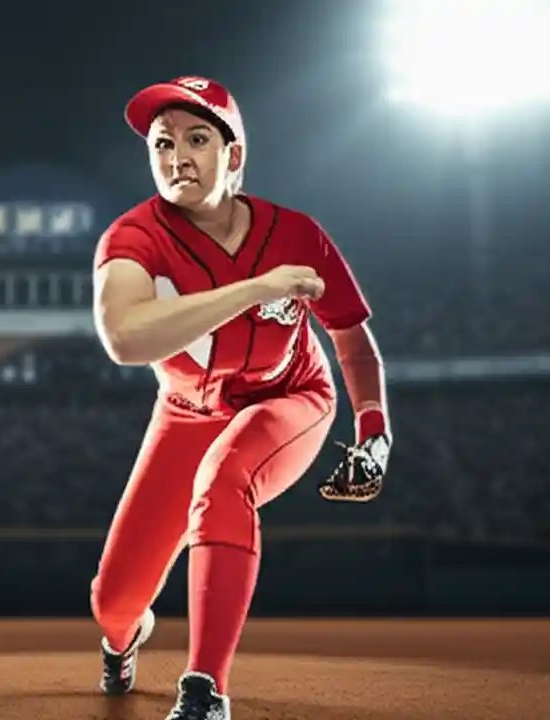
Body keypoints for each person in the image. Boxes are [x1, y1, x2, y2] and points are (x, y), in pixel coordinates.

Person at [89, 75, 392, 720]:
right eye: (162, 143)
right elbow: (122, 337)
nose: (177, 157)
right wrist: (254, 290)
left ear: (235, 154)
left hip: (288, 396)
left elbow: (350, 337)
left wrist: (374, 430)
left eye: (198, 139)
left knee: (224, 481)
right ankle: (126, 639)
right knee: (113, 602)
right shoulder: (132, 237)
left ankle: (205, 692)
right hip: (186, 410)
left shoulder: (297, 234)